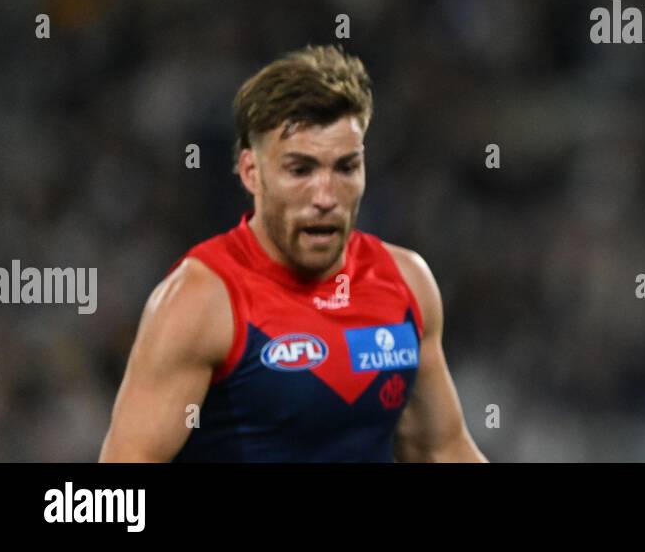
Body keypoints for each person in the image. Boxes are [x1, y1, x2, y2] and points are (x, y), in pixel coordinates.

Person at [100, 44, 485, 462]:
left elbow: (440, 449)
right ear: (251, 172)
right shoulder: (201, 302)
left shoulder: (407, 282)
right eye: (300, 170)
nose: (325, 197)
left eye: (345, 167)